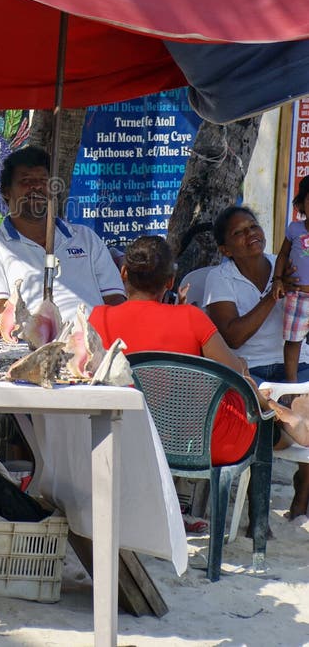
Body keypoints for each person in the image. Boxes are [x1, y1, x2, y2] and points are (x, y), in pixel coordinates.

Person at [89, 235, 258, 466]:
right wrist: (243, 365)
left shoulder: (99, 318)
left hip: (125, 438)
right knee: (247, 395)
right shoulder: (191, 317)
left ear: (124, 273)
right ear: (170, 282)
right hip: (200, 443)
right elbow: (234, 371)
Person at [204, 205, 309, 518]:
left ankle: (302, 491)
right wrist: (273, 294)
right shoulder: (220, 278)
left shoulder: (286, 263)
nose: (250, 234)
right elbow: (234, 337)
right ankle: (264, 509)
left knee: (299, 410)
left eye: (253, 226)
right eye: (238, 232)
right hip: (251, 369)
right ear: (225, 249)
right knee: (271, 417)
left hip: (296, 362)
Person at [0, 145, 125, 321]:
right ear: (6, 191)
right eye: (26, 181)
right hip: (32, 336)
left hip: (94, 334)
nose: (36, 187)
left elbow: (114, 297)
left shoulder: (85, 237)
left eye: (44, 181)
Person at [272, 175, 309, 381]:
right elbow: (283, 255)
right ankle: (291, 384)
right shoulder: (295, 229)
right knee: (293, 341)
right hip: (297, 296)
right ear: (301, 204)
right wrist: (277, 279)